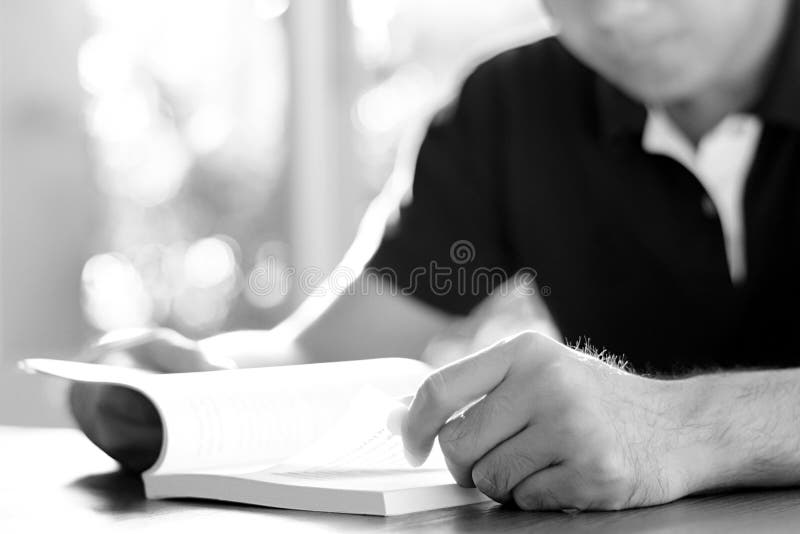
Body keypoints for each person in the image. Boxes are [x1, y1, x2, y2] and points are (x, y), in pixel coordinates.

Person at [70, 0, 800, 511]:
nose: (609, 11)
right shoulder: (517, 109)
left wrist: (680, 427)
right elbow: (328, 352)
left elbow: (670, 432)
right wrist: (191, 389)